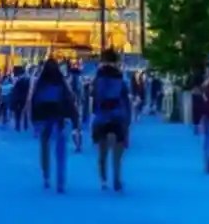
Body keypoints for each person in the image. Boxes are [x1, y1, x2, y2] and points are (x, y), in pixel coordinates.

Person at [27, 58, 80, 193]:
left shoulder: (40, 83)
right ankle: (60, 181)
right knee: (61, 153)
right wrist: (75, 120)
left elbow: (33, 101)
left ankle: (46, 176)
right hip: (59, 119)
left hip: (44, 120)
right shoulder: (62, 83)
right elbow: (70, 101)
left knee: (44, 149)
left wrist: (34, 120)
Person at [91, 49, 132, 192]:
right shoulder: (121, 78)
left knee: (102, 152)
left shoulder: (98, 77)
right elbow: (126, 100)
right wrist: (128, 121)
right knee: (118, 151)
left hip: (102, 115)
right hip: (118, 116)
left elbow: (94, 97)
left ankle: (103, 180)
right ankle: (117, 178)